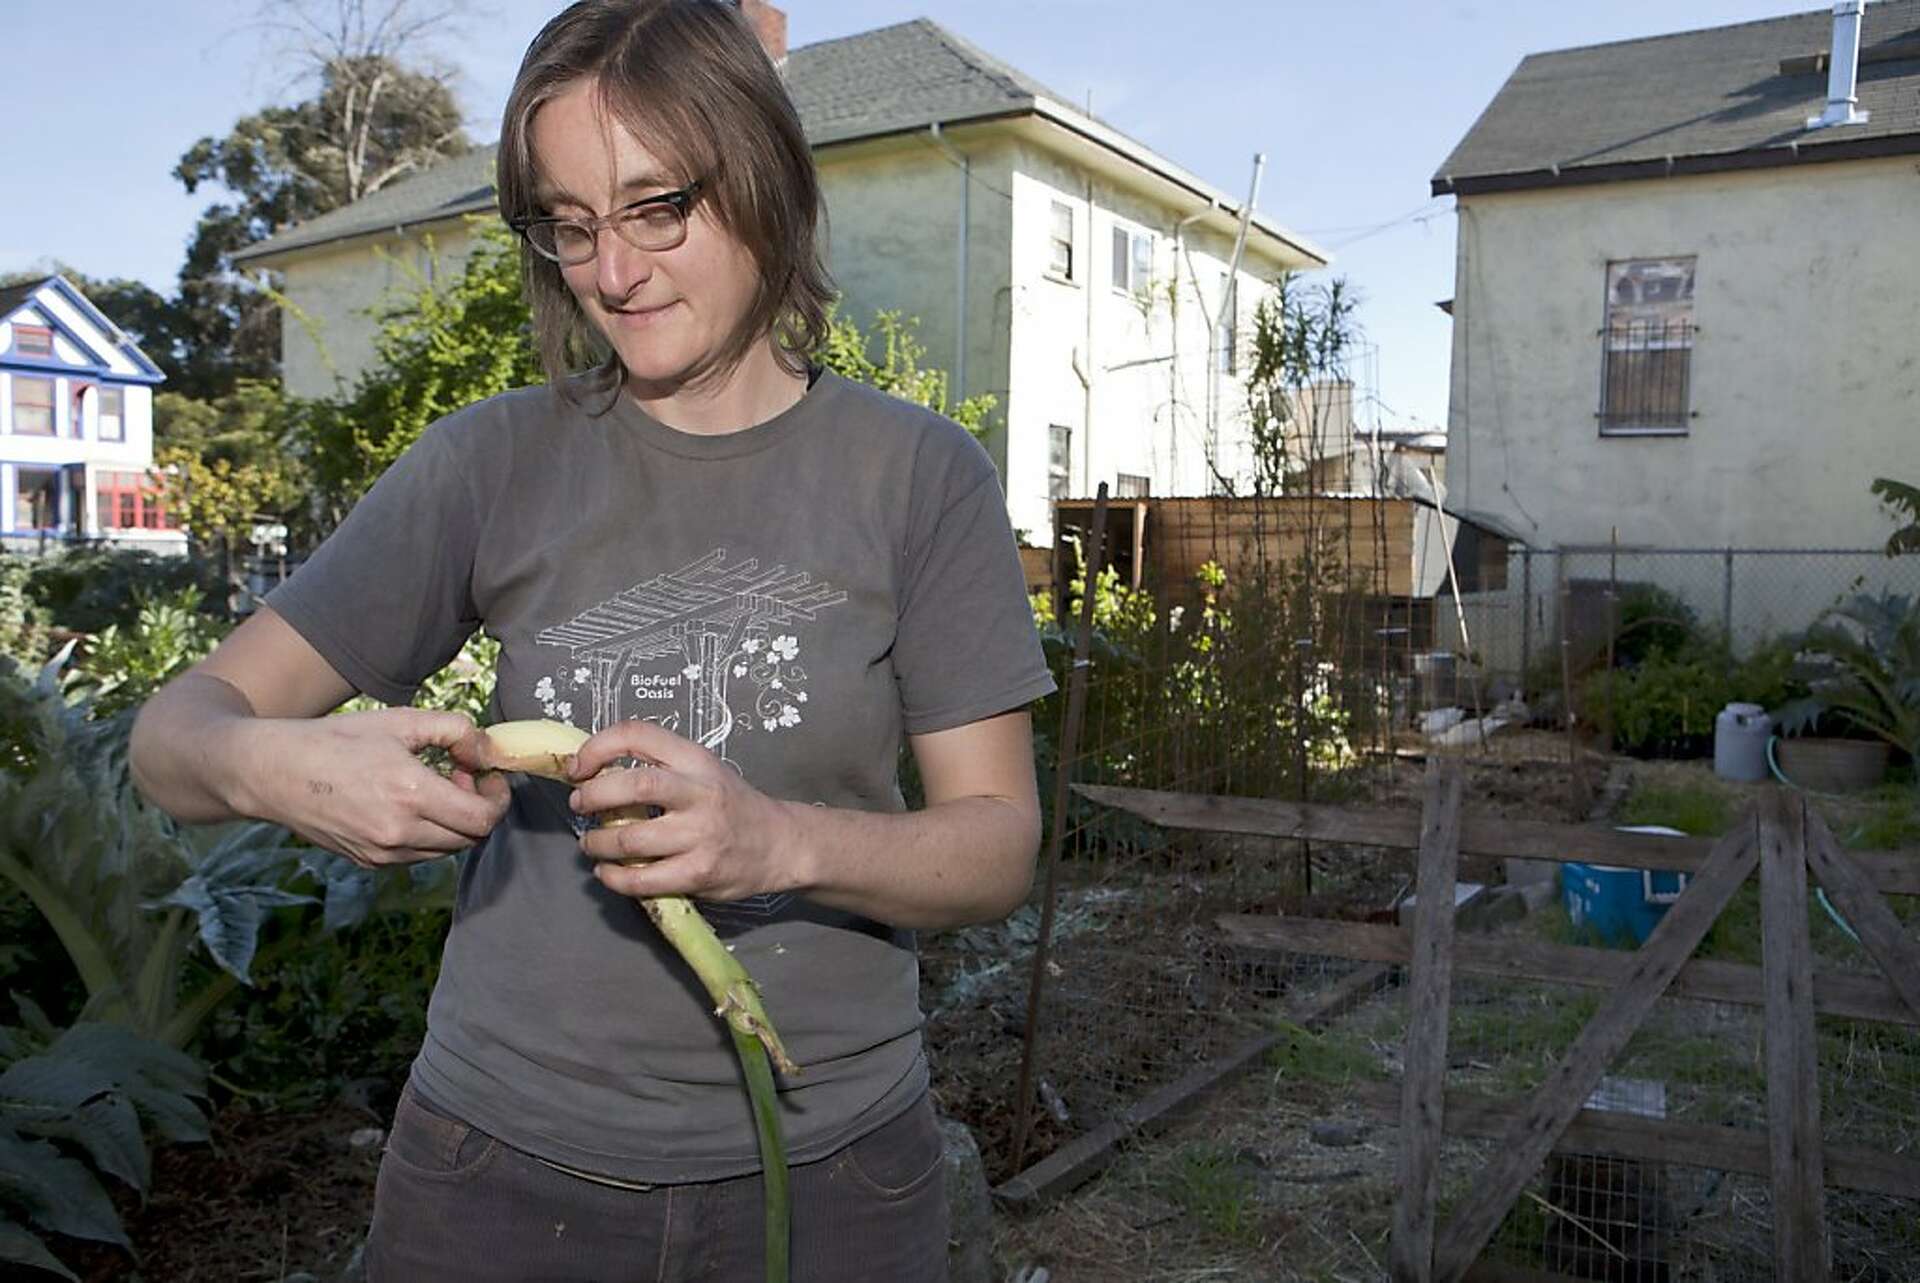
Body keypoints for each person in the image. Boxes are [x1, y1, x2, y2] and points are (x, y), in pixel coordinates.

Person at [128, 2, 1055, 1278]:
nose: (610, 271)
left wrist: (776, 840)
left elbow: (998, 844)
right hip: (495, 1179)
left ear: (763, 177)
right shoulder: (489, 462)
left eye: (655, 206)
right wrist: (282, 768)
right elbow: (171, 738)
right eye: (567, 223)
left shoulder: (918, 476)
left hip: (830, 1176)